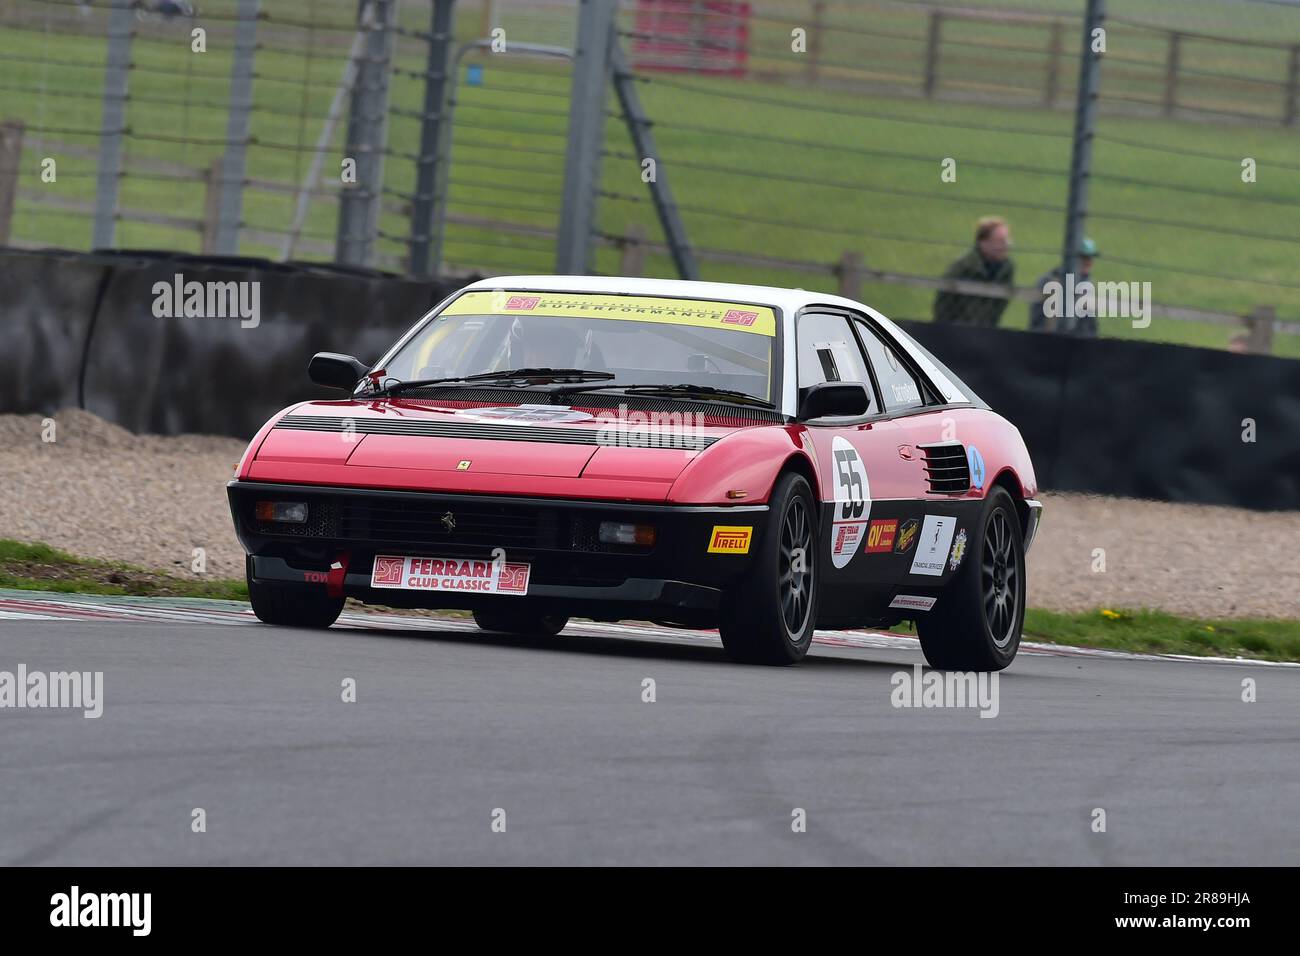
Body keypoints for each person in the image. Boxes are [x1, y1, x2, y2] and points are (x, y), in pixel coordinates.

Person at [933, 216, 1015, 327]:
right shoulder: (962, 268)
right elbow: (943, 307)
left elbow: (998, 307)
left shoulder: (1006, 270)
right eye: (1000, 241)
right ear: (983, 243)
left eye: (1006, 240)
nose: (1006, 246)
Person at [1028, 237, 1099, 336]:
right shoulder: (1048, 282)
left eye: (1091, 259)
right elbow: (1037, 321)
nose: (1089, 263)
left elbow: (1090, 326)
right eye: (1085, 258)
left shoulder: (1088, 286)